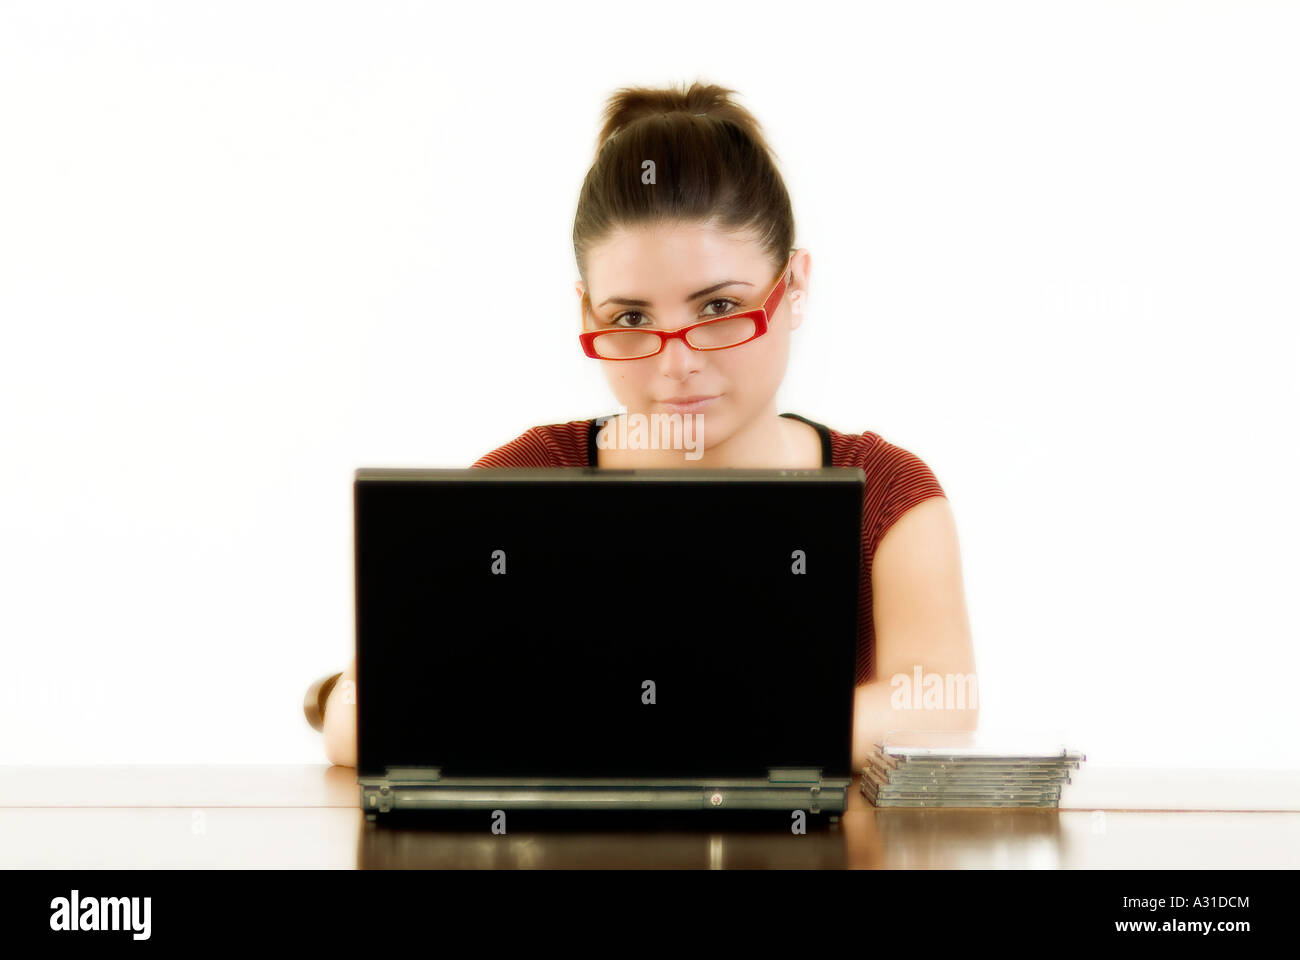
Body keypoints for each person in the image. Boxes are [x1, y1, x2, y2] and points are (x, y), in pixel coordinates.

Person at [308, 80, 978, 771]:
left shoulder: (889, 497)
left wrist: (631, 721)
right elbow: (356, 719)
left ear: (795, 286)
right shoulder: (522, 484)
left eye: (719, 308)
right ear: (587, 315)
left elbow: (937, 706)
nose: (676, 364)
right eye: (630, 319)